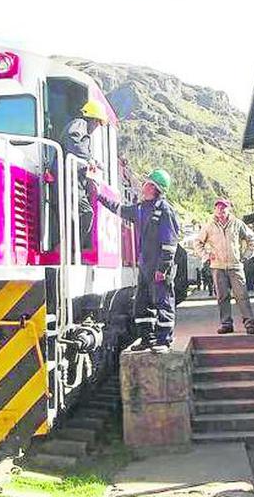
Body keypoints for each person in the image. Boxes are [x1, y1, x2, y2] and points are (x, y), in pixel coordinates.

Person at [88, 168, 179, 352]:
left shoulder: (164, 211)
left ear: (155, 188)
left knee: (163, 302)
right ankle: (147, 339)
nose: (143, 186)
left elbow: (170, 243)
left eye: (147, 183)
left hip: (159, 267)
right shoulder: (140, 209)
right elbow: (119, 209)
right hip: (145, 266)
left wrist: (162, 268)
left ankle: (164, 341)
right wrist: (98, 196)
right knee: (142, 303)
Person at [195, 199, 254, 335]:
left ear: (228, 209)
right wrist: (206, 255)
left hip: (235, 266)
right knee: (222, 296)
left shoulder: (237, 224)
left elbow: (252, 238)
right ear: (214, 210)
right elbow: (198, 242)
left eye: (223, 208)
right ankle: (226, 324)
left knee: (242, 295)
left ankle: (249, 323)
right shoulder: (209, 226)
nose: (221, 210)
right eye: (218, 208)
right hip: (217, 266)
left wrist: (247, 254)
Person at [62, 100, 109, 250]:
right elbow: (74, 143)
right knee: (86, 213)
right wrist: (90, 160)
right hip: (69, 180)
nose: (97, 127)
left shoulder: (82, 130)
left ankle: (70, 248)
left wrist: (93, 162)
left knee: (81, 215)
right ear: (93, 119)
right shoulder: (79, 124)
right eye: (98, 123)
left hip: (75, 182)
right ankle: (70, 249)